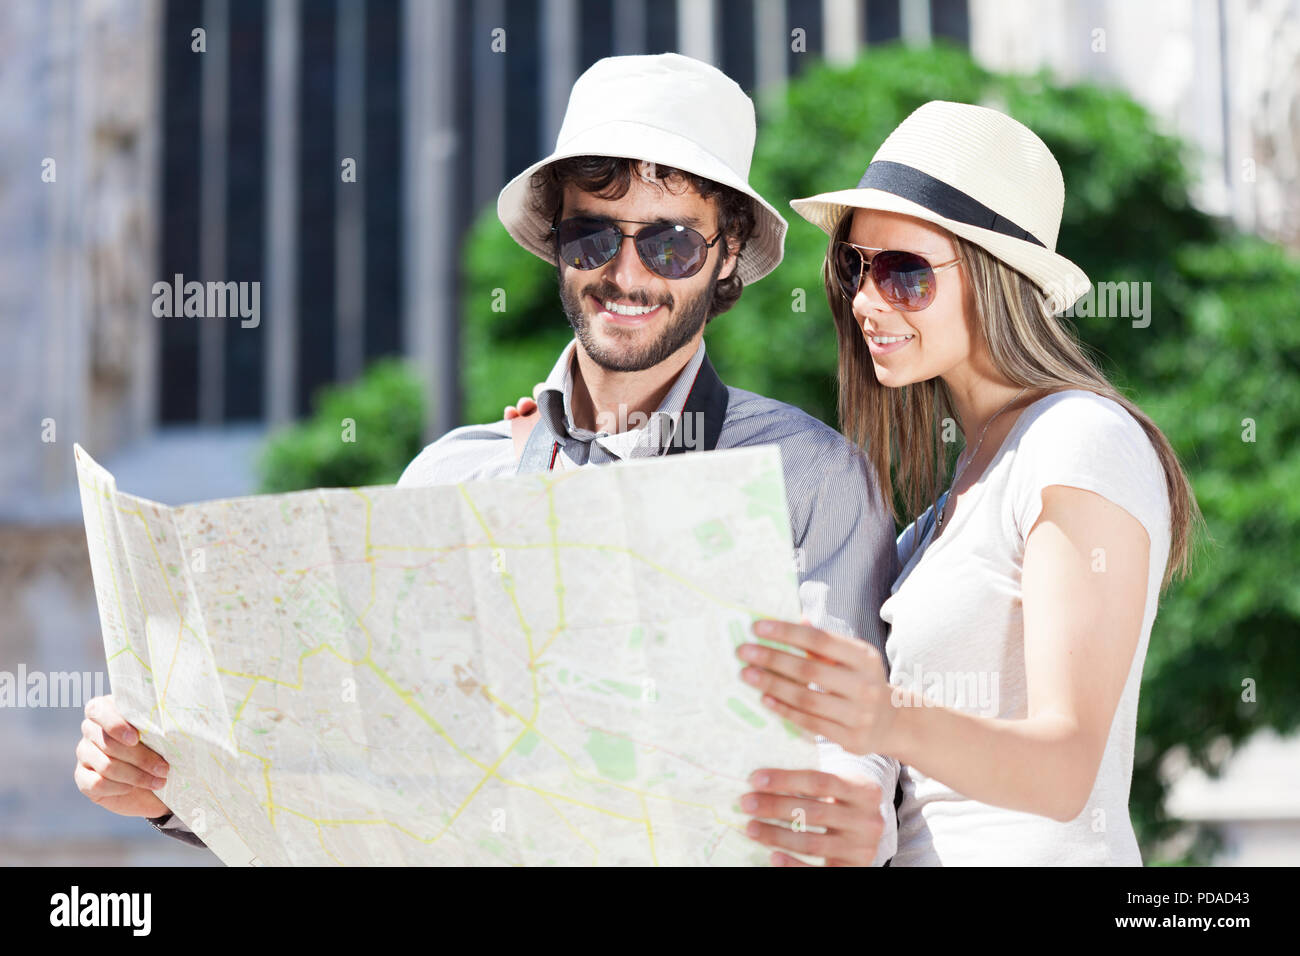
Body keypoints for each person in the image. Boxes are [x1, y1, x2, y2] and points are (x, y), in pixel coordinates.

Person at [75, 53, 902, 867]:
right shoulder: (447, 478)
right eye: (591, 238)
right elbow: (360, 771)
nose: (625, 274)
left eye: (672, 245)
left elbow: (850, 770)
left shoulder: (810, 481)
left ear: (726, 257)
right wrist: (170, 791)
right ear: (556, 247)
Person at [736, 100, 1206, 865]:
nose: (865, 301)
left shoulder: (1077, 439)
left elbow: (1065, 770)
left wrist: (882, 714)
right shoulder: (937, 518)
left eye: (904, 273)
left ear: (997, 278)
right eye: (854, 267)